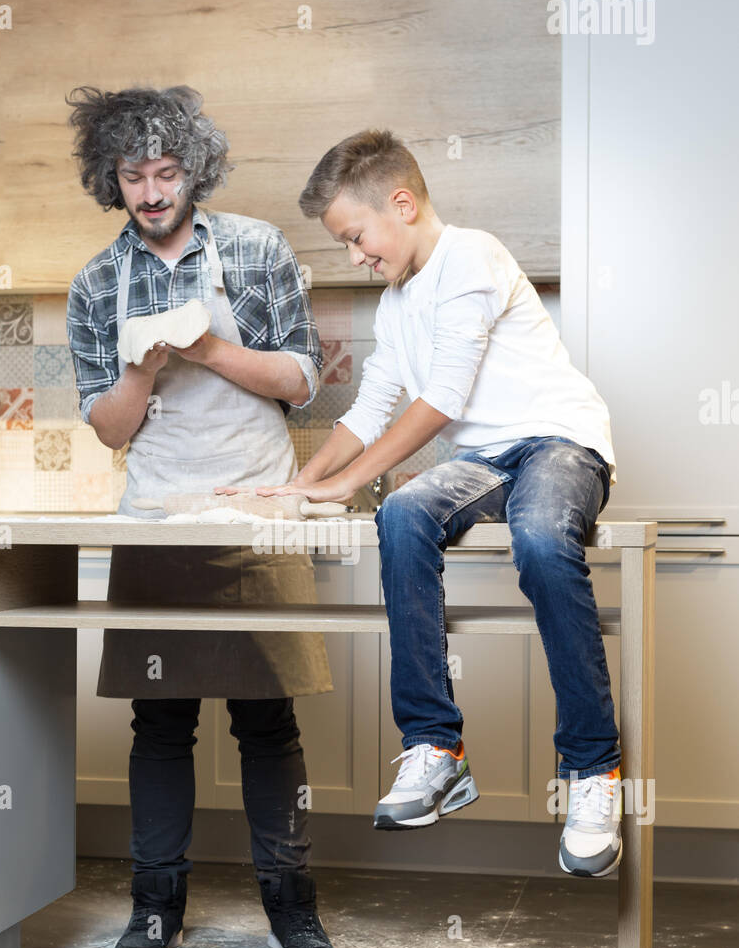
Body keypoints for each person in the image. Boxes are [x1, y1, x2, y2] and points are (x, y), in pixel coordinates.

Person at [257, 128, 623, 878]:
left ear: (402, 203)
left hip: (559, 442)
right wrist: (305, 481)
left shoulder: (473, 257)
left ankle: (594, 773)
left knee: (544, 539)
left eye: (356, 237)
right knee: (403, 512)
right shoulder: (396, 303)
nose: (355, 255)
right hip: (486, 460)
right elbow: (370, 409)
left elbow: (441, 398)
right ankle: (435, 749)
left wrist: (347, 483)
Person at [65, 84, 337, 948]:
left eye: (167, 172)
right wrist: (142, 372)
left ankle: (292, 906)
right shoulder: (97, 283)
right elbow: (108, 429)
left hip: (257, 510)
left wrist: (205, 348)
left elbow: (304, 382)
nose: (151, 192)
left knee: (268, 723)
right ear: (111, 177)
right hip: (156, 518)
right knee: (160, 721)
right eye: (133, 175)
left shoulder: (257, 250)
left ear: (196, 170)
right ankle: (154, 908)